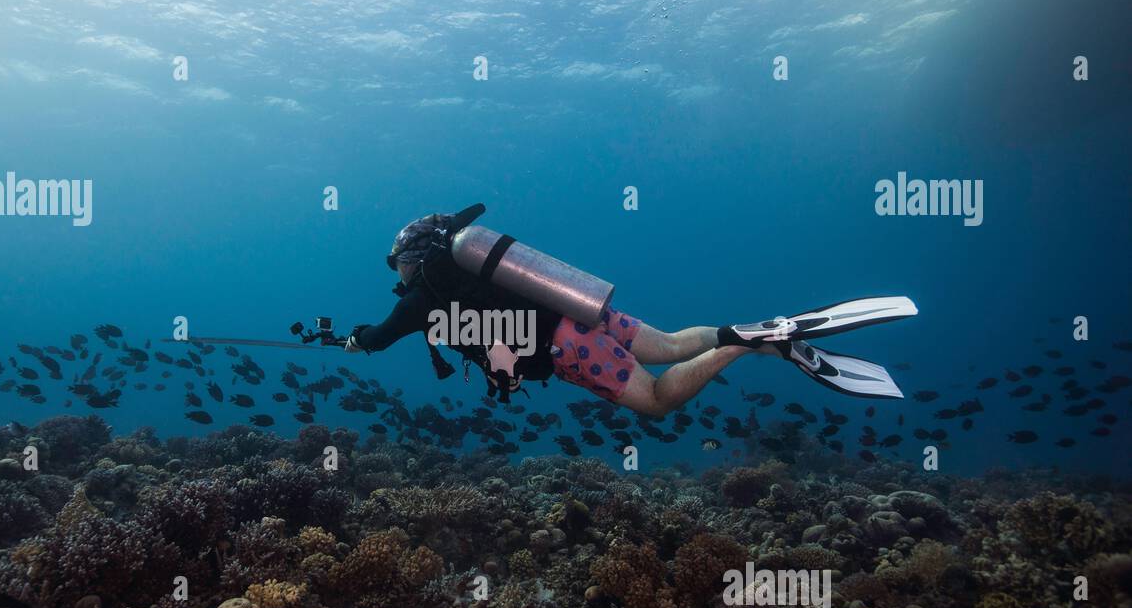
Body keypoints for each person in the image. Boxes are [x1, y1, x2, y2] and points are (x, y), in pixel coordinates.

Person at [345, 209, 916, 417]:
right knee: (669, 344)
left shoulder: (425, 294)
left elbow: (379, 336)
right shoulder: (471, 266)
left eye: (396, 265)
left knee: (657, 402)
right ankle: (759, 334)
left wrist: (355, 340)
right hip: (581, 308)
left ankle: (744, 342)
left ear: (414, 258)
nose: (395, 277)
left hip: (563, 348)